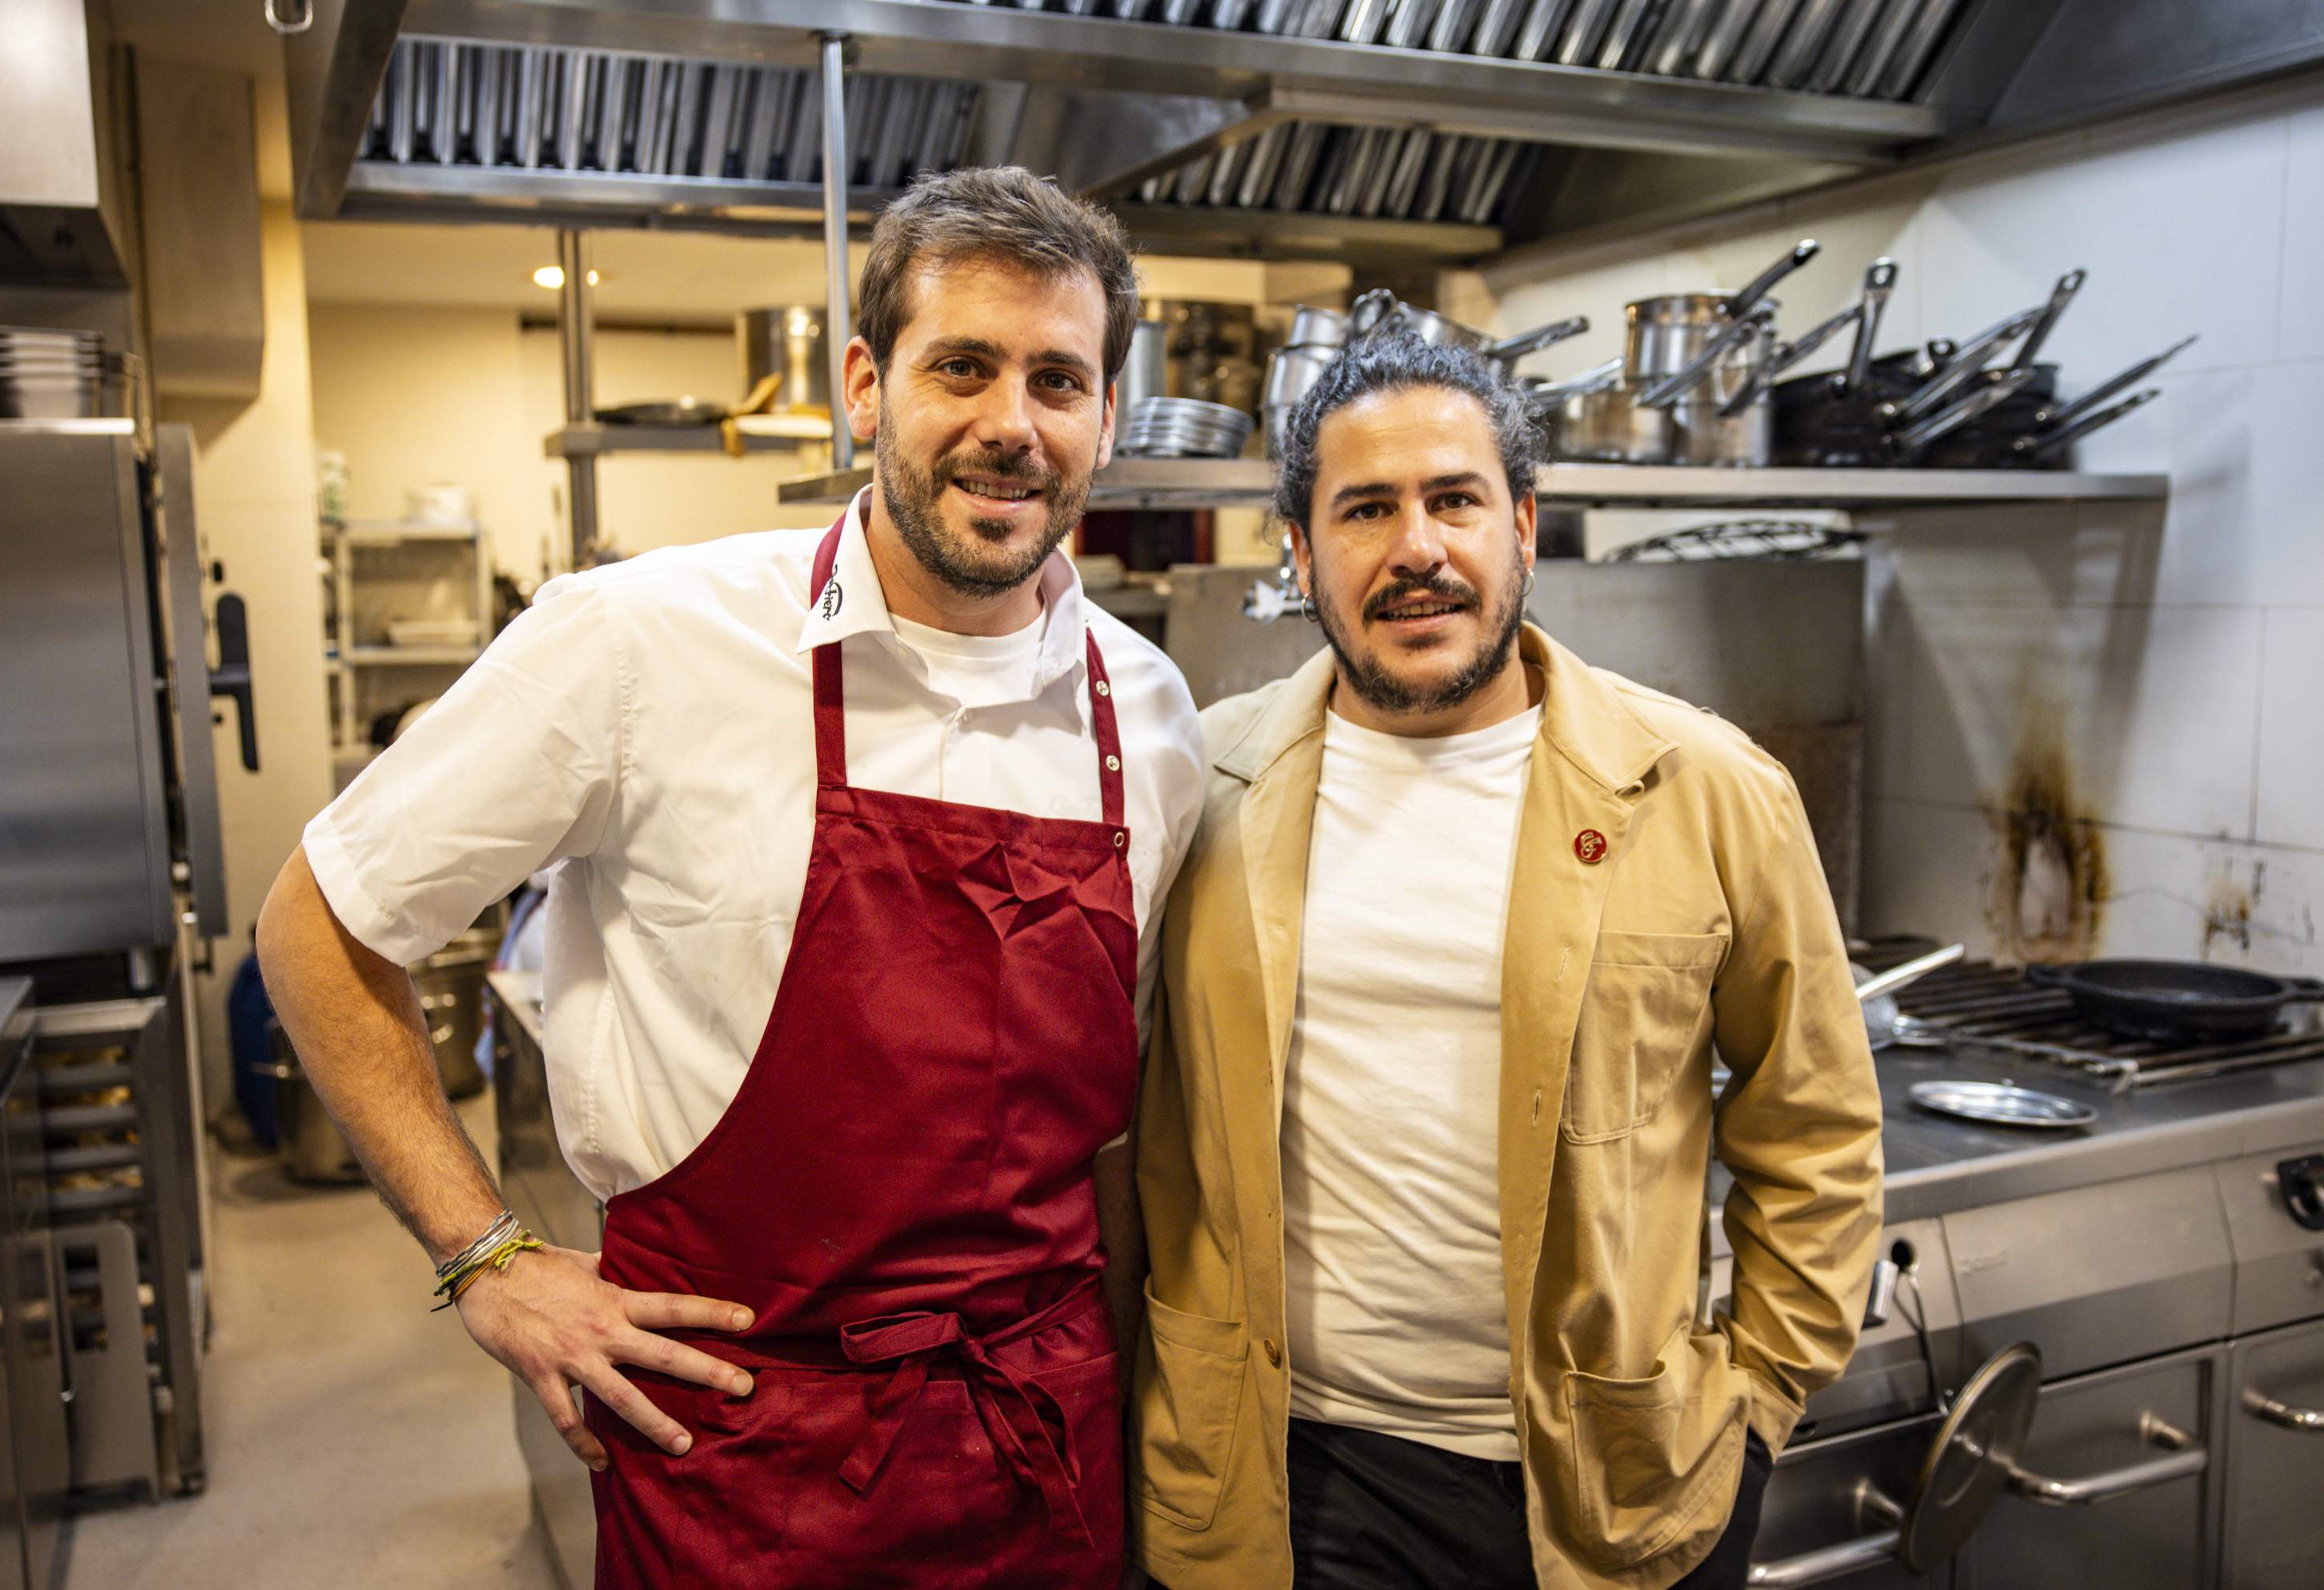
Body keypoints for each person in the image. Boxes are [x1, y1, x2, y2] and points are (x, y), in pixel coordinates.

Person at [258, 166, 1204, 1589]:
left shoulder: (1152, 714)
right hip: (742, 1458)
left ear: (1107, 420)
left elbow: (1109, 1132)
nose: (1012, 424)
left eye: (1058, 380)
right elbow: (318, 922)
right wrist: (487, 1258)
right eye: (964, 366)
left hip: (1042, 1453)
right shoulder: (641, 642)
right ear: (866, 386)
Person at [1129, 331, 1882, 1590]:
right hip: (1288, 1480)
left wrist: (1753, 1403)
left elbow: (1817, 1128)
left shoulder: (1705, 790)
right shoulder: (1197, 781)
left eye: (1455, 500)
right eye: (1365, 508)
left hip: (1612, 1487)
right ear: (1301, 554)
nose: (1416, 547)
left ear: (1524, 527)